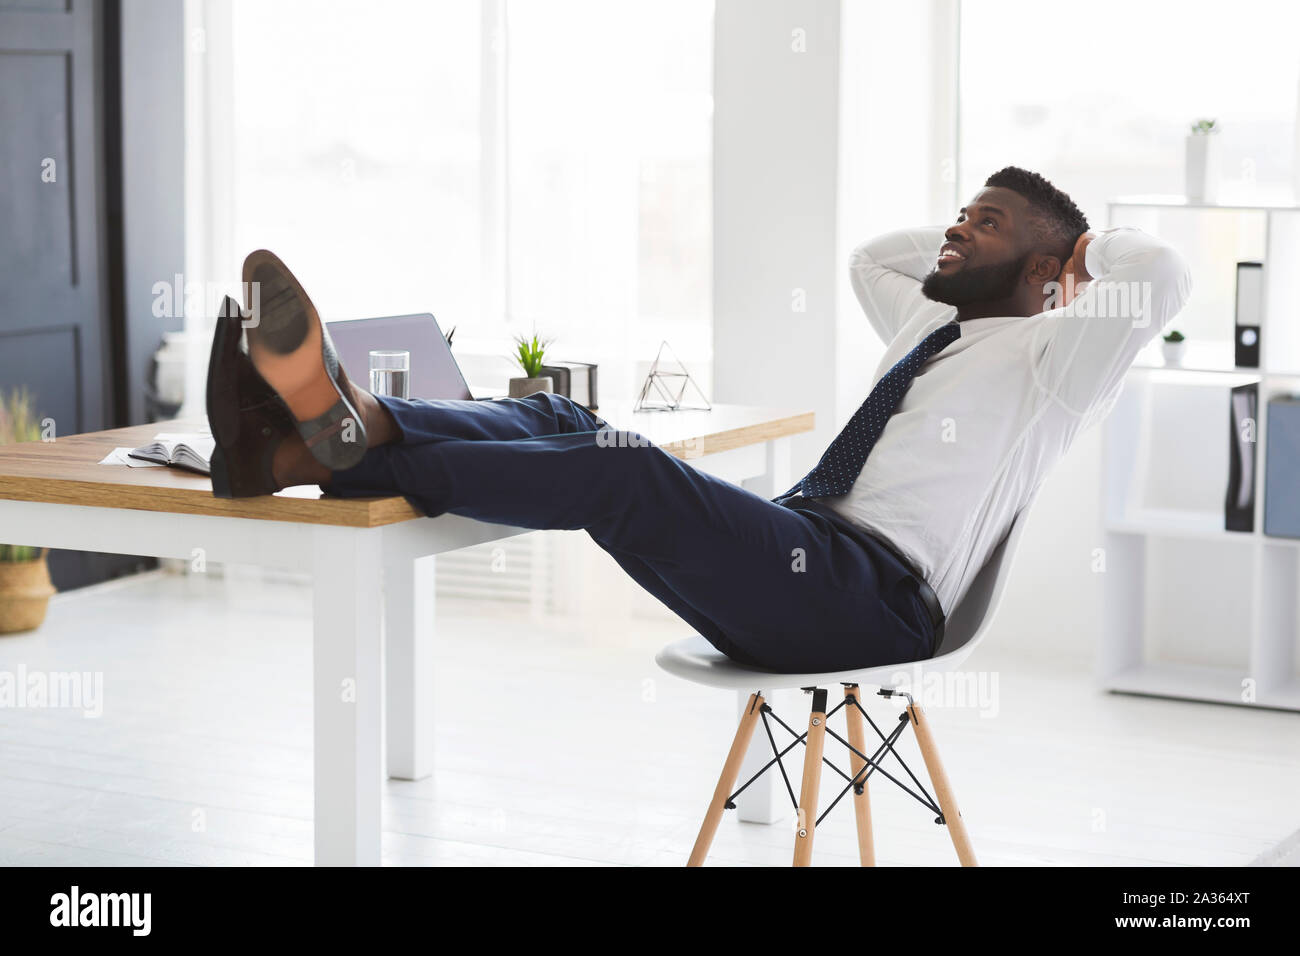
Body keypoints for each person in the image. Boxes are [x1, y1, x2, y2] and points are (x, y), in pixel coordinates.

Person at [204, 166, 1192, 674]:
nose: (950, 230)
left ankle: (337, 433)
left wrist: (1078, 253)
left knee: (624, 470)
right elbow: (869, 259)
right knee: (558, 411)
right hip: (808, 560)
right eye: (959, 213)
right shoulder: (929, 319)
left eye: (981, 224)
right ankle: (313, 440)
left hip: (869, 603)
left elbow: (1166, 274)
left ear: (1041, 270)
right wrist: (984, 237)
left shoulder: (1060, 363)